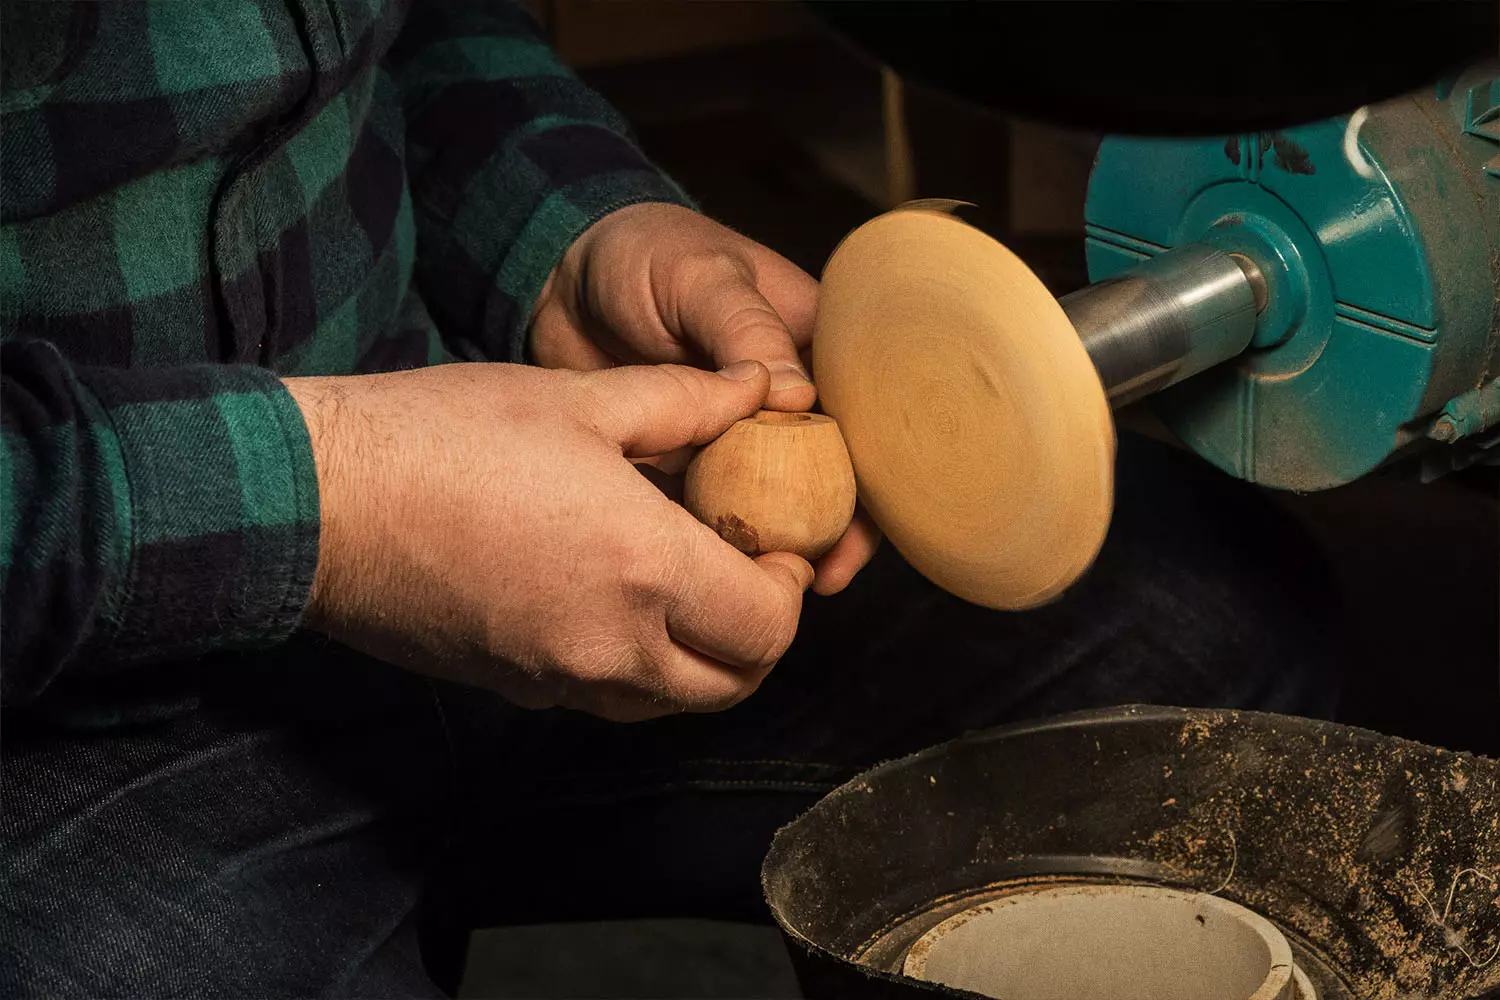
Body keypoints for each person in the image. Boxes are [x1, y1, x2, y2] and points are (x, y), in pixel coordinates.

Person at [0, 2, 1341, 995]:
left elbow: (413, 35)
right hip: (69, 694)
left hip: (502, 455)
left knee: (1214, 648)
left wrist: (576, 234)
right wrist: (346, 509)